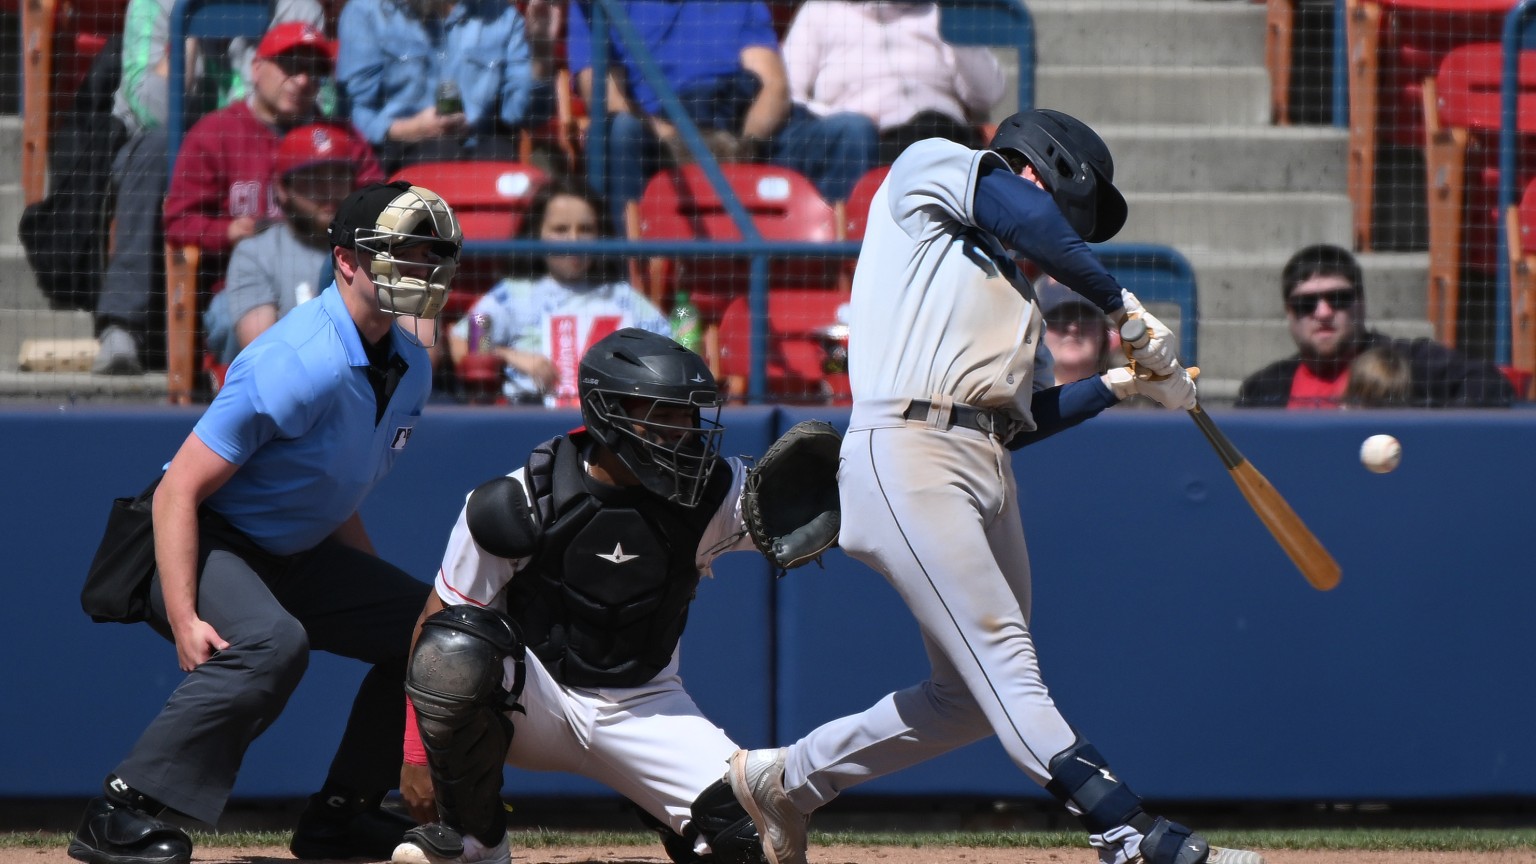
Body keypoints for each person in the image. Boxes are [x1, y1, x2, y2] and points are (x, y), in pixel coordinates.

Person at [720, 112, 1267, 864]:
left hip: (983, 464)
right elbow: (1023, 211)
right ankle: (1125, 829)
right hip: (905, 449)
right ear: (1043, 170)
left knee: (966, 700)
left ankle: (785, 781)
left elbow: (1022, 422)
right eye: (1073, 212)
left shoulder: (1015, 300)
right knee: (1007, 658)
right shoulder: (932, 168)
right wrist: (1120, 304)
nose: (1061, 238)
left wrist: (1118, 384)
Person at [67, 182, 463, 864]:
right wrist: (186, 617)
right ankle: (119, 813)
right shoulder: (294, 361)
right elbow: (178, 491)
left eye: (430, 253)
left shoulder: (412, 365)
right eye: (400, 251)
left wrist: (376, 587)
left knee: (433, 632)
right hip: (201, 536)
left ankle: (341, 819)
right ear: (345, 260)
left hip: (292, 551)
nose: (419, 268)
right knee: (273, 644)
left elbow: (331, 489)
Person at [390, 328, 825, 864]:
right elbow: (435, 625)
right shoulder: (523, 497)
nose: (683, 434)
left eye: (689, 417)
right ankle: (476, 839)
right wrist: (417, 753)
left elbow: (817, 504)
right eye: (663, 416)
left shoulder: (710, 490)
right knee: (455, 645)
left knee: (755, 842)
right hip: (533, 699)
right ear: (607, 410)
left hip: (645, 705)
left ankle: (681, 818)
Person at [94, 12, 336, 374]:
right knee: (154, 153)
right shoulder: (158, 5)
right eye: (290, 66)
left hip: (269, 146)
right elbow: (154, 110)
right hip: (174, 143)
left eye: (307, 69)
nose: (302, 77)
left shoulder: (295, 7)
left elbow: (318, 101)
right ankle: (123, 326)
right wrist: (189, 31)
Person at [566, 0, 878, 228]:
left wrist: (746, 144)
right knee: (619, 132)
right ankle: (632, 282)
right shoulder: (597, 6)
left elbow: (773, 85)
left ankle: (833, 281)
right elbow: (604, 95)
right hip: (659, 137)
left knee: (851, 132)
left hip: (743, 129)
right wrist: (675, 140)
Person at [446, 179, 670, 405]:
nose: (573, 241)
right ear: (537, 234)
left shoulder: (623, 297)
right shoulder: (514, 294)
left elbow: (672, 350)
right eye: (560, 229)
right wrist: (509, 356)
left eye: (585, 229)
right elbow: (467, 339)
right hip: (529, 419)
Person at [1235, 244, 1515, 408]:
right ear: (1289, 312)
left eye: (1338, 298)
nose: (1323, 312)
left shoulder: (1409, 362)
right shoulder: (1263, 389)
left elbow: (1491, 386)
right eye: (1306, 304)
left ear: (1361, 302)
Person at [204, 121, 376, 365]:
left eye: (338, 177)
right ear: (283, 189)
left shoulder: (375, 249)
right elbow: (265, 358)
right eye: (314, 179)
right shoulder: (256, 252)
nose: (329, 190)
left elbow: (421, 349)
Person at [336, 0, 555, 174]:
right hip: (400, 153)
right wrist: (410, 129)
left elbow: (525, 116)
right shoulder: (366, 12)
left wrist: (542, 51)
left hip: (483, 151)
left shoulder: (503, 18)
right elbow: (352, 112)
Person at [782, 0, 1006, 164]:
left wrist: (959, 34)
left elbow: (988, 95)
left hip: (942, 134)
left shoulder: (937, 12)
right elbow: (789, 95)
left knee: (933, 129)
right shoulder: (820, 11)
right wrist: (840, 117)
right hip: (864, 147)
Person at [1035, 275, 1119, 386]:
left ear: (1104, 331)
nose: (1073, 328)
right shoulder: (1015, 401)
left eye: (1084, 317)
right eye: (1057, 318)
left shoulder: (1135, 398)